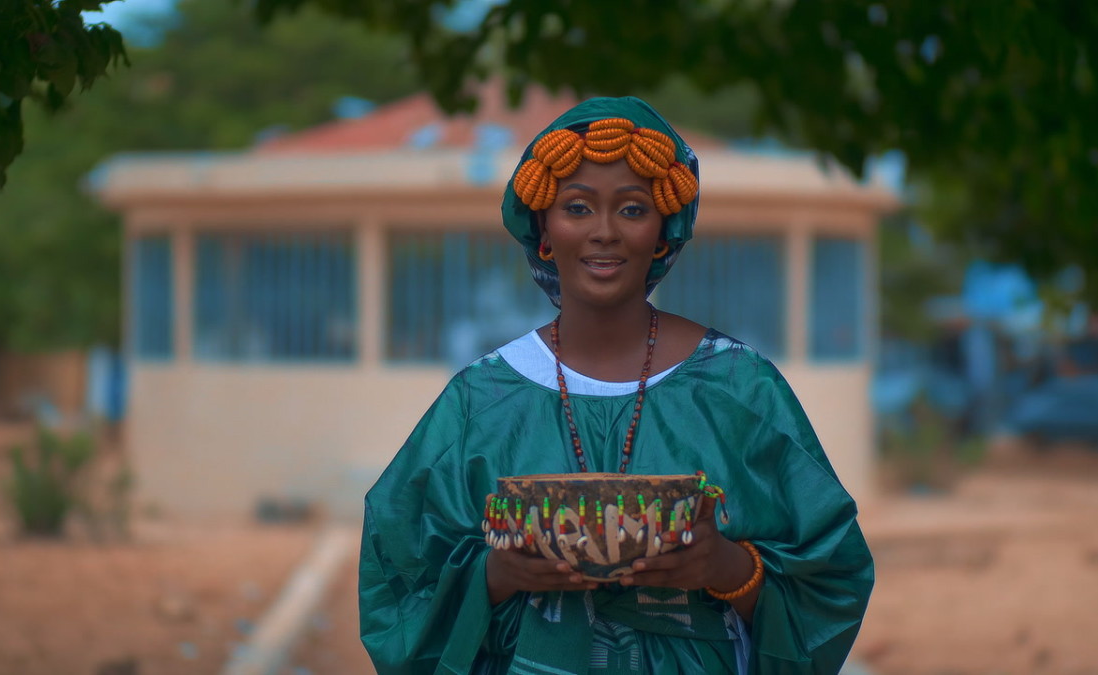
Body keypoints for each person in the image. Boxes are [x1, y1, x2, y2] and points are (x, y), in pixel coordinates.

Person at [359, 96, 874, 674]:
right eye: (577, 208)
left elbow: (835, 578)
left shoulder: (738, 388)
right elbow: (394, 576)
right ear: (544, 231)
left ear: (663, 233)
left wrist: (727, 567)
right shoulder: (481, 402)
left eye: (631, 210)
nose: (604, 232)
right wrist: (491, 576)